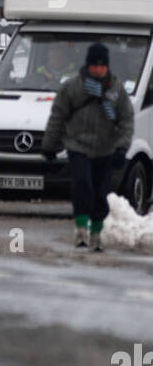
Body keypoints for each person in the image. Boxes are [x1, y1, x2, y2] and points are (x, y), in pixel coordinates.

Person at [41, 41, 134, 252]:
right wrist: (49, 146)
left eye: (103, 66)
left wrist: (121, 148)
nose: (99, 69)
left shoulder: (116, 91)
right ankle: (81, 229)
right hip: (78, 147)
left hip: (105, 149)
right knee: (82, 184)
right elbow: (58, 117)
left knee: (100, 192)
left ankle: (96, 233)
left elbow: (126, 121)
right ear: (88, 65)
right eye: (95, 65)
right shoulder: (73, 87)